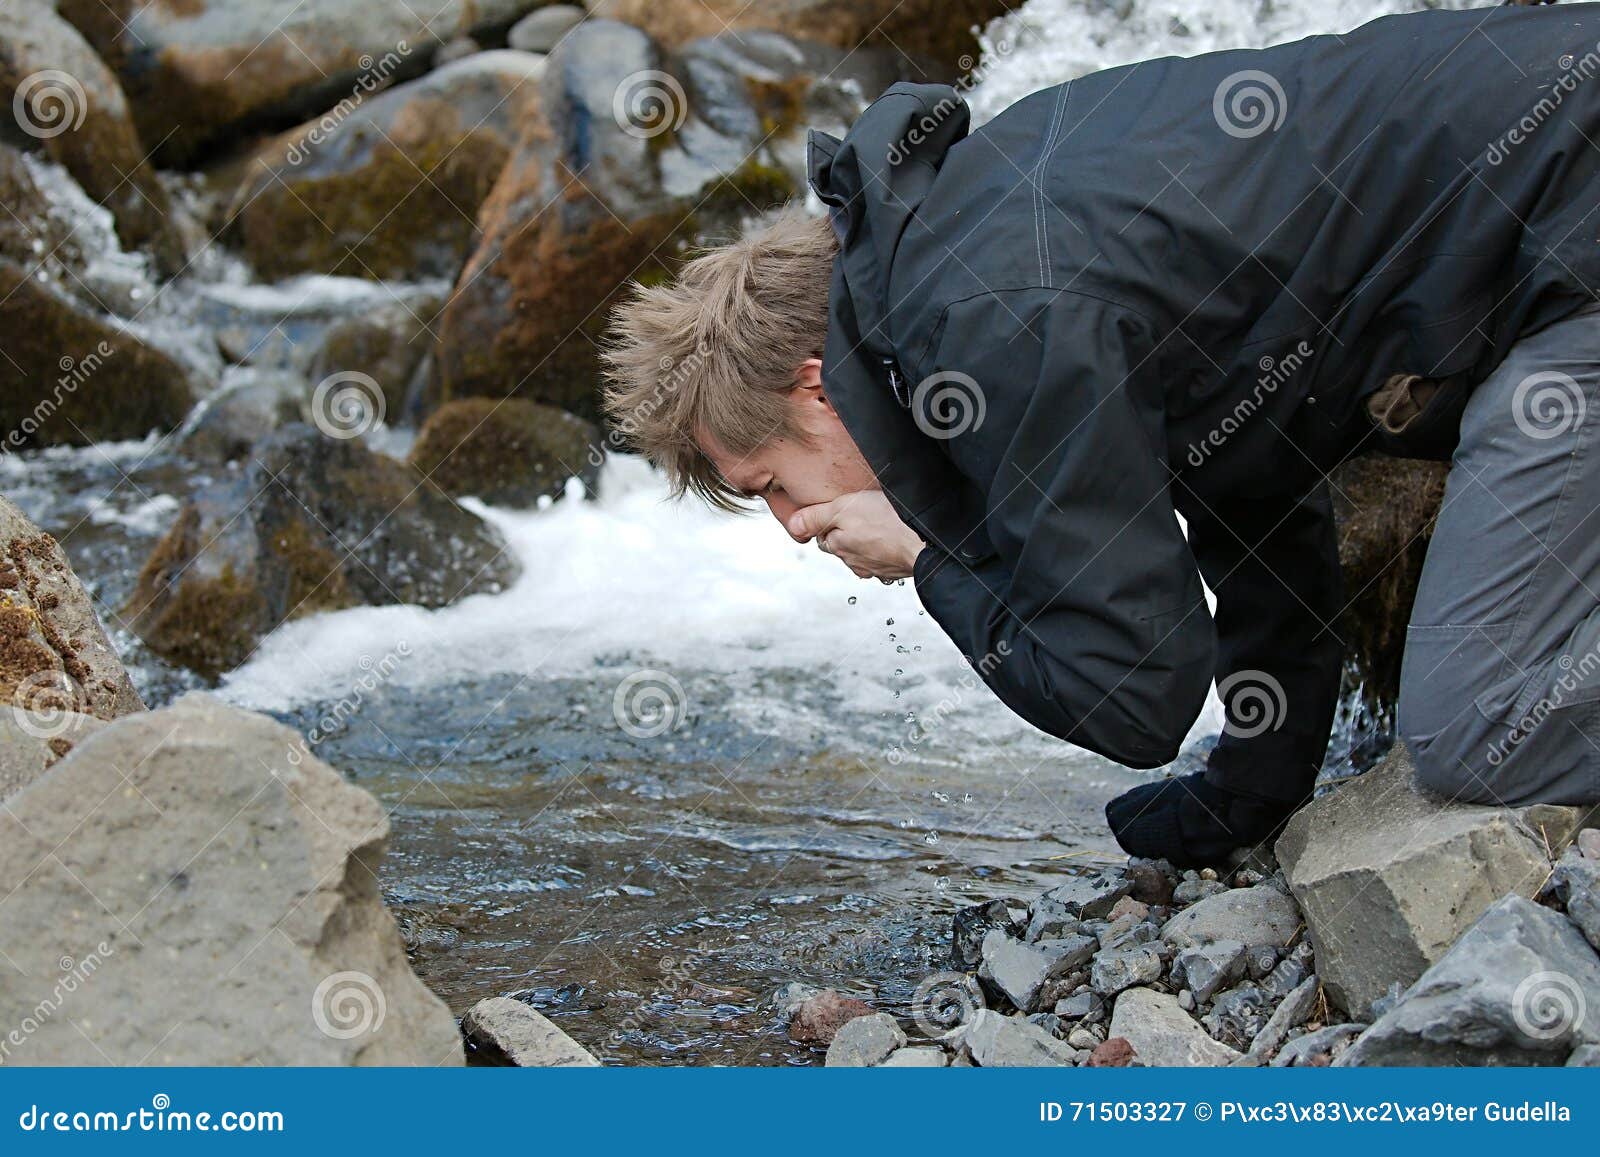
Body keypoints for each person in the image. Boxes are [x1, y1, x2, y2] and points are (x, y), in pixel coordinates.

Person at [602, 3, 1600, 866]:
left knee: (1478, 726)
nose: (788, 523)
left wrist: (925, 559)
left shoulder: (991, 319)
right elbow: (1257, 509)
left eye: (766, 481)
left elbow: (1134, 692)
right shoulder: (955, 254)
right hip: (1551, 213)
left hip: (1570, 224)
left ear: (813, 390)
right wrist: (1248, 793)